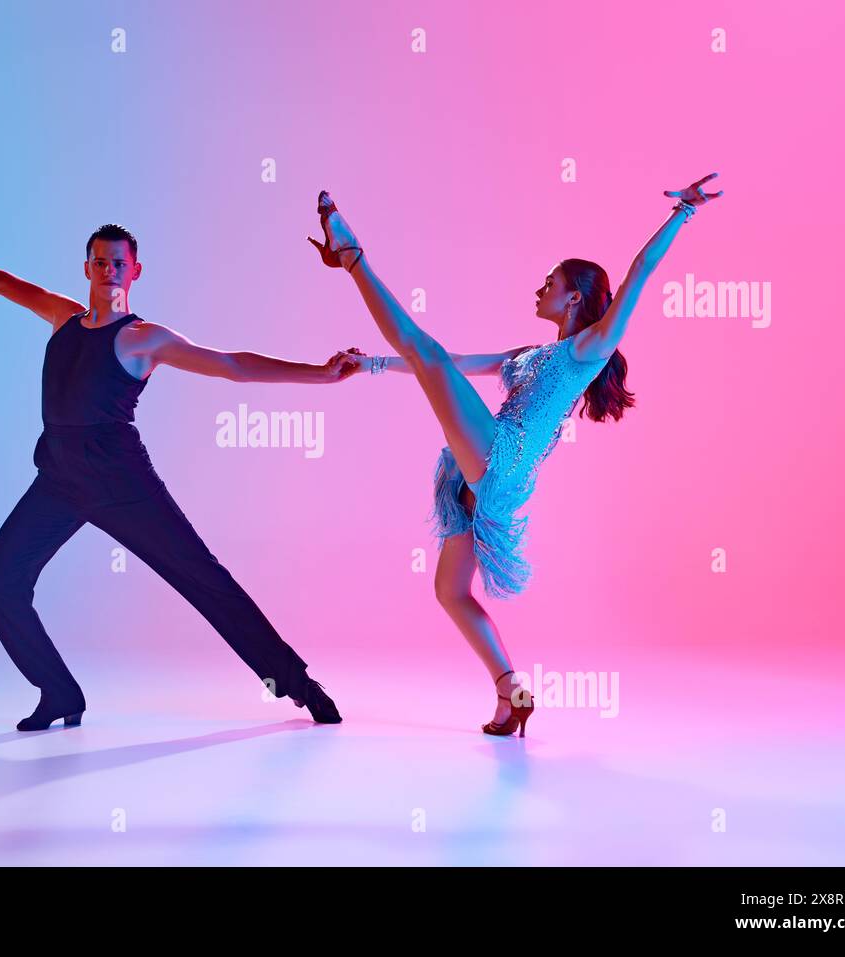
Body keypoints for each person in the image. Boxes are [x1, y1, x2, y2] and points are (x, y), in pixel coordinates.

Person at [0, 224, 360, 730]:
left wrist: (319, 373)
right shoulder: (61, 317)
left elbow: (233, 366)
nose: (109, 272)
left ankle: (296, 683)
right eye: (100, 262)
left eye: (119, 263)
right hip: (59, 480)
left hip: (123, 483)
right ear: (87, 268)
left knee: (205, 580)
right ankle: (59, 693)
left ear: (135, 271)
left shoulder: (144, 338)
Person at [307, 175, 723, 736]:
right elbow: (452, 361)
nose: (539, 287)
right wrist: (374, 365)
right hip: (473, 471)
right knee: (450, 592)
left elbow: (639, 272)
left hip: (501, 461)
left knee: (426, 352)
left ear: (574, 296)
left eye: (550, 281)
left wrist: (683, 214)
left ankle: (351, 254)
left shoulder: (588, 349)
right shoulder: (531, 353)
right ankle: (511, 691)